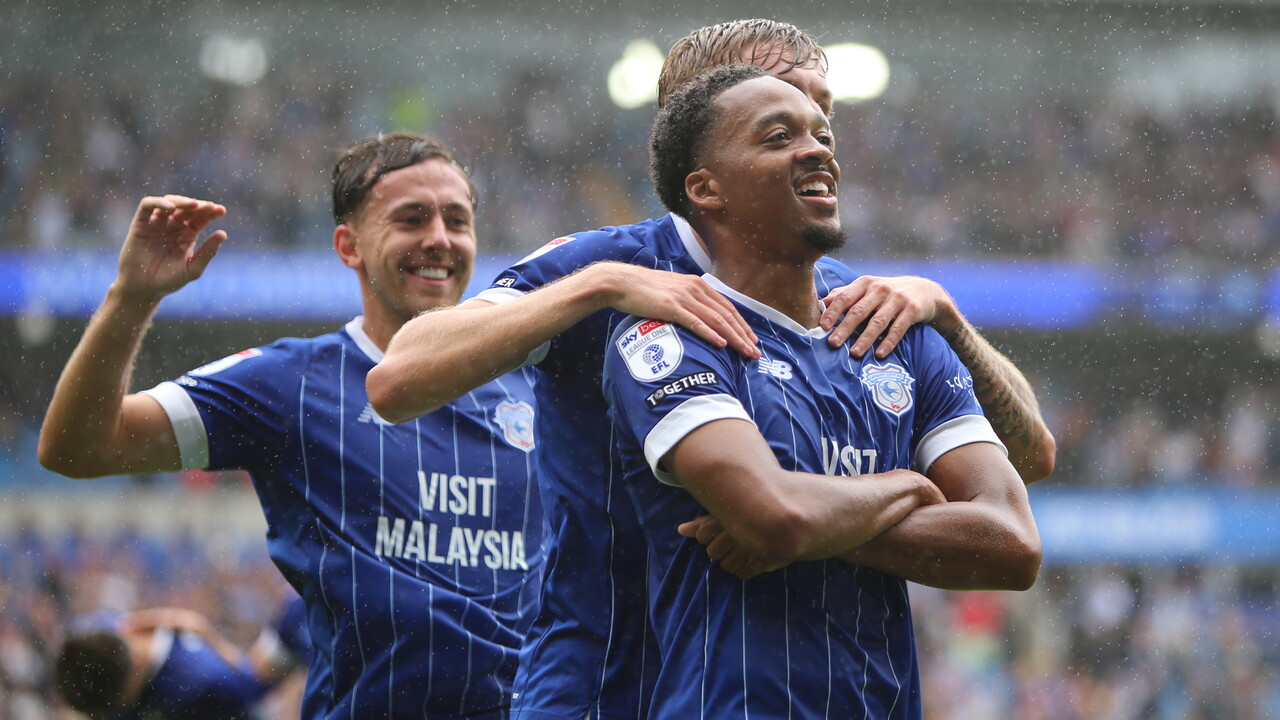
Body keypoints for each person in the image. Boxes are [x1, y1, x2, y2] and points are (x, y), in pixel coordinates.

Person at [367, 19, 1054, 720]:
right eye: (779, 112)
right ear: (699, 124)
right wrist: (595, 288)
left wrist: (949, 317)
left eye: (824, 117)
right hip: (601, 682)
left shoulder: (858, 302)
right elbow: (398, 380)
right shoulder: (613, 267)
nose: (814, 138)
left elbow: (1029, 462)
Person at [39, 133, 543, 719]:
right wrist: (131, 297)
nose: (438, 237)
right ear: (348, 246)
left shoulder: (534, 386)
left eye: (457, 220)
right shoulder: (290, 384)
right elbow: (78, 448)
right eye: (412, 218)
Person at [602, 63, 1040, 719]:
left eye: (823, 135)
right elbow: (776, 515)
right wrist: (909, 488)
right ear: (707, 189)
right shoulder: (668, 336)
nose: (817, 150)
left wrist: (818, 523)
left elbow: (1012, 544)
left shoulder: (901, 337)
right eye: (778, 137)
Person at [54, 608, 276, 719]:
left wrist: (212, 638)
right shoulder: (92, 642)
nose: (118, 710)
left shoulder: (202, 687)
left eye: (120, 703)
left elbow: (253, 685)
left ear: (135, 664)